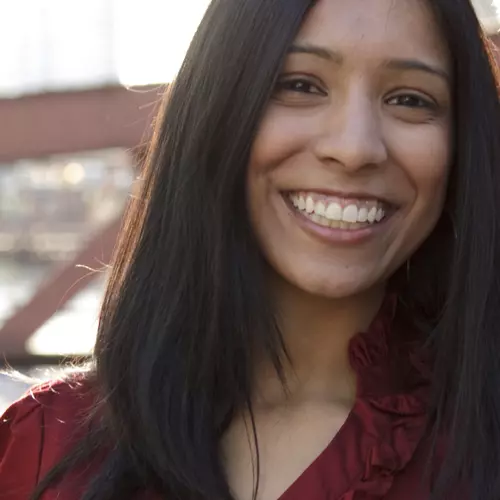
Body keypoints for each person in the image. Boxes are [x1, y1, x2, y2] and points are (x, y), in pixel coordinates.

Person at [1, 0, 500, 498]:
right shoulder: (43, 445)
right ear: (216, 109)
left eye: (410, 99)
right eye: (300, 85)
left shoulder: (476, 448)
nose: (354, 148)